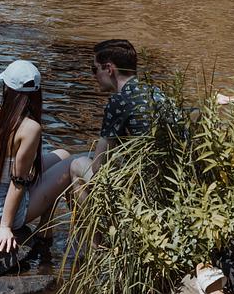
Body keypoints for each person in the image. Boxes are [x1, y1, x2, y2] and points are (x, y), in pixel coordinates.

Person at [0, 59, 73, 253]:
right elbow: (18, 181)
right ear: (36, 94)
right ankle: (63, 232)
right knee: (73, 164)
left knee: (63, 155)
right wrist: (5, 227)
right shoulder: (30, 128)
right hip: (8, 212)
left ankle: (45, 228)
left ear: (6, 88)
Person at [68, 39, 181, 193]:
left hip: (143, 189)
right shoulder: (157, 92)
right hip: (174, 181)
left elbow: (98, 166)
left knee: (77, 165)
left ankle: (96, 210)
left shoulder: (119, 101)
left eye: (95, 69)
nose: (93, 75)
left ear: (109, 69)